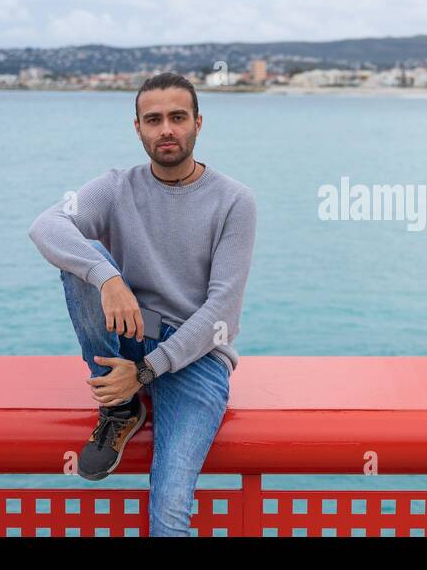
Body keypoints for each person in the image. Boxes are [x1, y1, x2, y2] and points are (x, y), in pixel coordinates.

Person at [29, 72, 258, 536]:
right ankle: (119, 407)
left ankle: (128, 392)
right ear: (138, 129)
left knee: (170, 511)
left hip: (196, 358)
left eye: (177, 118)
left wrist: (149, 370)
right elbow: (45, 226)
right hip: (128, 340)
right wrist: (107, 277)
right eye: (154, 120)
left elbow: (222, 312)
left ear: (197, 123)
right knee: (81, 261)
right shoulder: (116, 187)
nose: (166, 130)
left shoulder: (234, 200)